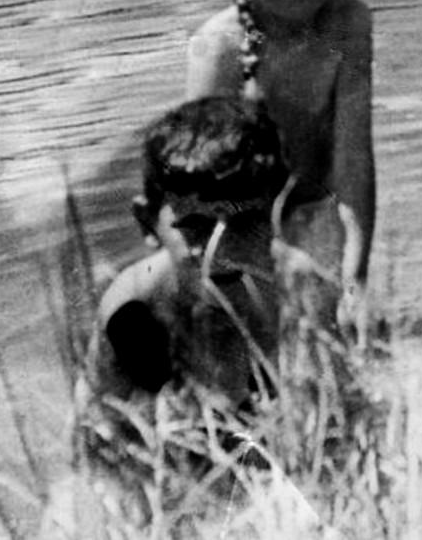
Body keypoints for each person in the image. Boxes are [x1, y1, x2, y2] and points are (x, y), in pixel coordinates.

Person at [73, 96, 344, 528]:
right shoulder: (134, 307)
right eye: (196, 228)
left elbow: (339, 426)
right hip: (167, 444)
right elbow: (99, 436)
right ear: (147, 224)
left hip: (256, 434)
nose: (221, 256)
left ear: (278, 211)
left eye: (245, 223)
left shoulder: (302, 292)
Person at [187, 0, 374, 341]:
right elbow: (200, 193)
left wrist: (355, 276)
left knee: (336, 355)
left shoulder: (348, 25)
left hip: (316, 217)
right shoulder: (219, 46)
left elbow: (353, 160)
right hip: (234, 233)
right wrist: (272, 266)